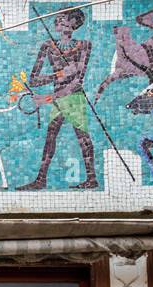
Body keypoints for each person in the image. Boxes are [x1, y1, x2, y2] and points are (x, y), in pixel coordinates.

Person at [19, 9, 97, 191]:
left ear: (74, 24)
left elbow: (78, 80)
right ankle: (41, 180)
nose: (60, 22)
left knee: (82, 137)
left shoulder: (85, 45)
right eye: (58, 19)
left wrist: (49, 97)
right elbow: (34, 80)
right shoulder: (48, 46)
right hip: (57, 98)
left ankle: (92, 178)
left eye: (66, 20)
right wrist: (60, 74)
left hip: (73, 98)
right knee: (50, 138)